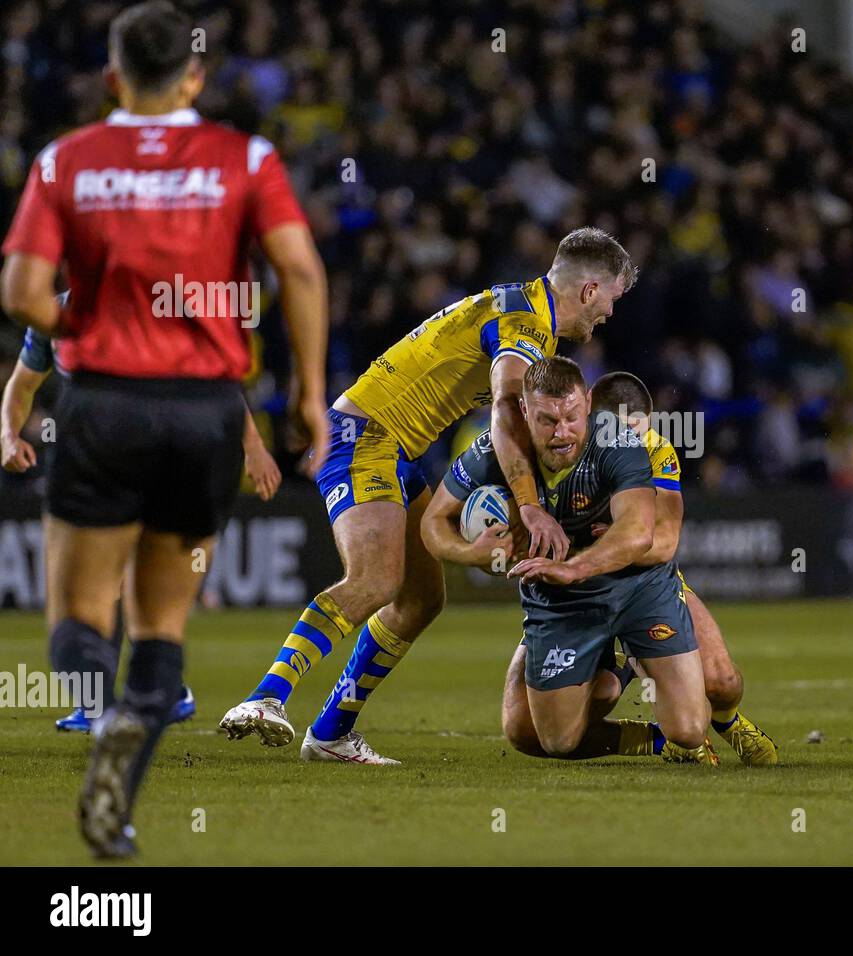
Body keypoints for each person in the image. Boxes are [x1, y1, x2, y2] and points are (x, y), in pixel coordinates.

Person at [0, 0, 329, 856]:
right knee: (162, 624)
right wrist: (307, 394)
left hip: (104, 404)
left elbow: (21, 294)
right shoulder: (245, 159)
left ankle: (97, 707)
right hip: (205, 415)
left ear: (112, 77)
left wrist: (83, 326)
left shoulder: (65, 160)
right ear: (195, 75)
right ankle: (128, 761)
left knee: (76, 615)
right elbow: (298, 267)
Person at [220, 227, 637, 764]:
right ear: (589, 290)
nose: (608, 313)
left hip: (394, 448)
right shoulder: (526, 323)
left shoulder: (522, 307)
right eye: (611, 299)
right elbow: (507, 407)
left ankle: (330, 733)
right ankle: (265, 698)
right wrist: (529, 505)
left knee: (421, 598)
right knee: (375, 579)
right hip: (366, 435)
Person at [422, 357, 715, 765]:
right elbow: (433, 522)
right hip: (559, 599)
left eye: (573, 418)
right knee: (554, 740)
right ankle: (651, 737)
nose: (562, 433)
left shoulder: (616, 441)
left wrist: (572, 567)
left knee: (690, 728)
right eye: (547, 421)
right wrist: (471, 553)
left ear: (589, 404)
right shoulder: (493, 450)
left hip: (637, 586)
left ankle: (635, 659)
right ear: (524, 411)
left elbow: (638, 532)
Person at [2, 319, 285, 731]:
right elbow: (21, 385)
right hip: (99, 455)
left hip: (163, 452)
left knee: (128, 579)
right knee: (99, 584)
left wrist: (254, 446)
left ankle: (149, 693)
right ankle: (112, 701)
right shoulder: (55, 317)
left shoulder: (151, 306)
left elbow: (216, 378)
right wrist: (9, 435)